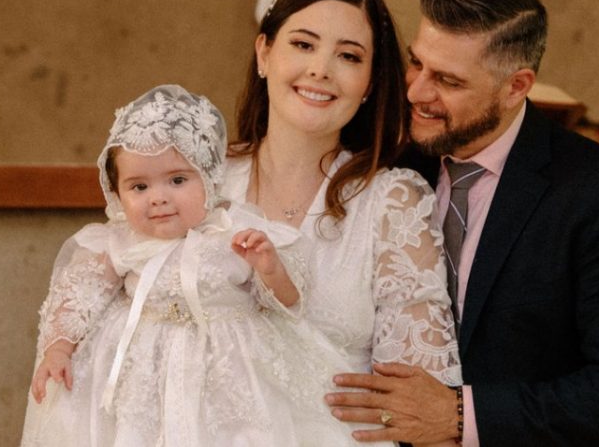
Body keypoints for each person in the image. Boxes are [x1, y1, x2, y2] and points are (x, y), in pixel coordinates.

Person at [326, 0, 599, 447]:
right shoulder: (385, 164)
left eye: (447, 80)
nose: (416, 92)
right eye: (416, 63)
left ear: (516, 86)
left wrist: (460, 416)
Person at [20, 84, 394, 446]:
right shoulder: (120, 242)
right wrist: (58, 348)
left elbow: (287, 302)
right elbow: (79, 293)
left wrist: (268, 266)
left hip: (228, 375)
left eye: (177, 180)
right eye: (139, 187)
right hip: (145, 380)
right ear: (116, 193)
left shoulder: (234, 231)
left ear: (209, 179)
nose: (158, 198)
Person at [221, 0, 462, 445]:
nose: (321, 70)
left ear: (371, 81)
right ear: (264, 52)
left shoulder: (393, 201)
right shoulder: (197, 178)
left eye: (348, 56)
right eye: (304, 45)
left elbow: (419, 398)